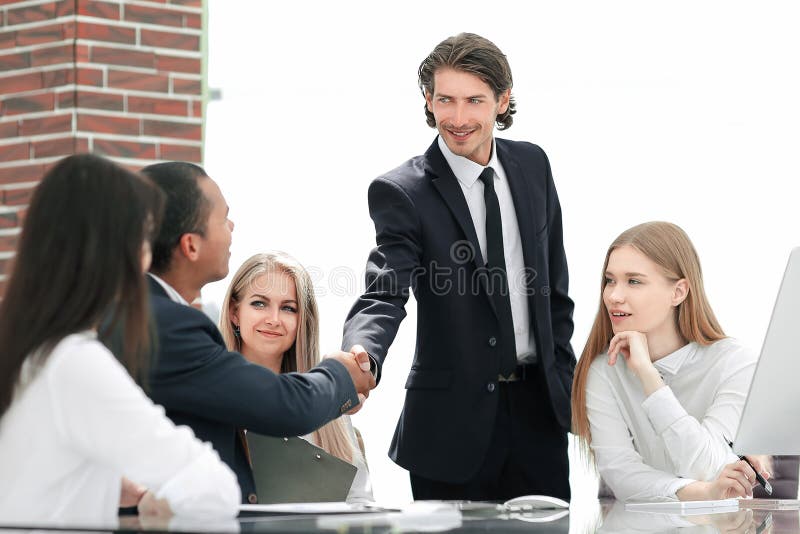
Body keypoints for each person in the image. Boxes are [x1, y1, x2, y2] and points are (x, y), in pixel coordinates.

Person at [342, 32, 575, 501]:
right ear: (428, 101)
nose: (458, 118)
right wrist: (361, 352)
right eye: (444, 100)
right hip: (449, 429)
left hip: (539, 417)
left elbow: (554, 289)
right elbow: (385, 290)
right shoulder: (402, 191)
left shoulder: (533, 165)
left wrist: (564, 378)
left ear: (502, 100)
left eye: (474, 100)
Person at [0, 154, 240, 525]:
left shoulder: (26, 351)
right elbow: (215, 489)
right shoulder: (76, 363)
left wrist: (111, 485)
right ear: (117, 252)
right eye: (145, 239)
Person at [139, 162, 375, 505]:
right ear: (190, 245)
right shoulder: (168, 325)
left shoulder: (144, 313)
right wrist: (344, 375)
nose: (232, 227)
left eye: (289, 307)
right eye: (223, 219)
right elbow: (282, 405)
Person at [571, 221, 770, 502]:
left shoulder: (736, 363)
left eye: (634, 281)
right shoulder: (604, 371)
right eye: (610, 280)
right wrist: (702, 492)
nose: (614, 296)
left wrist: (648, 376)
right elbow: (623, 477)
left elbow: (708, 466)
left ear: (678, 292)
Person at [219, 251, 374, 503]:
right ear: (235, 312)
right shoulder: (211, 396)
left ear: (303, 320)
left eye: (288, 308)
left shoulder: (328, 401)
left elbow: (360, 503)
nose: (274, 319)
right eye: (259, 303)